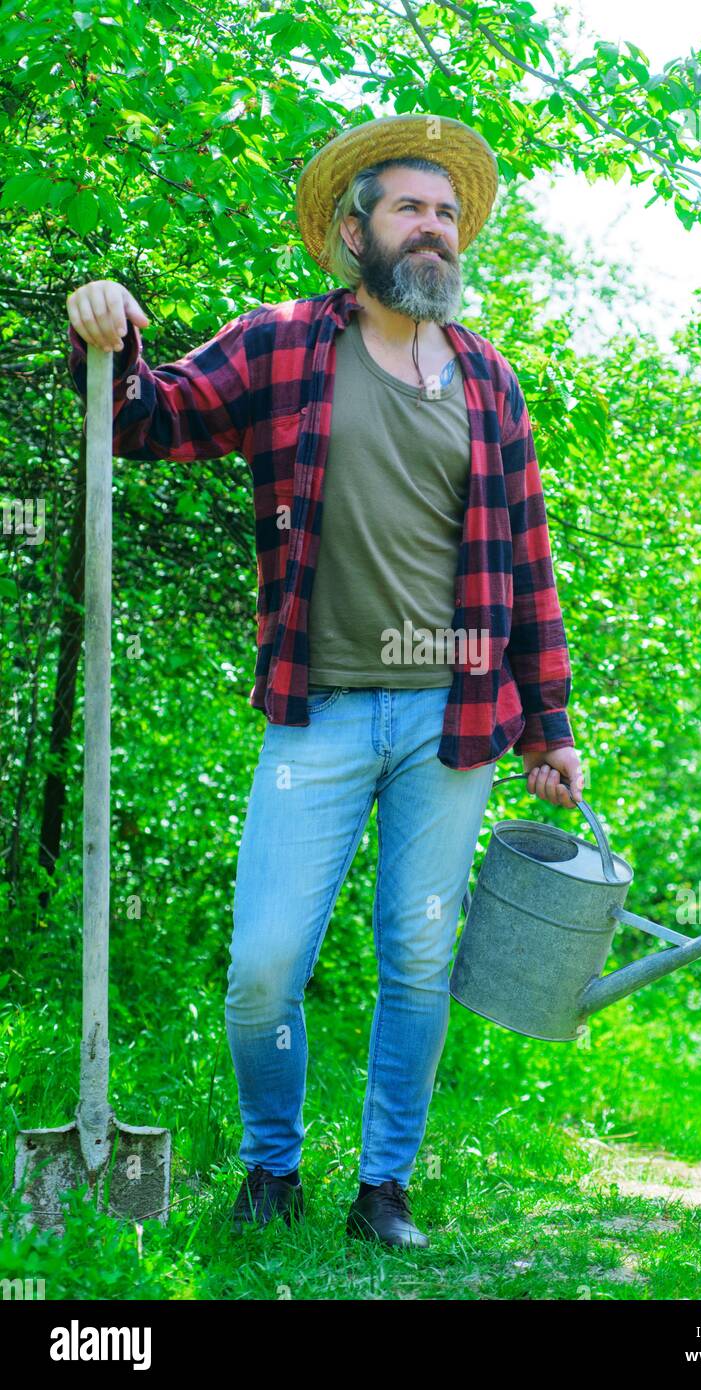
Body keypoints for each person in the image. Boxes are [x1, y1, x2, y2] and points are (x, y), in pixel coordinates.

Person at [66, 112, 583, 1250]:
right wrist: (106, 333)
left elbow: (530, 570)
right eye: (410, 208)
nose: (433, 229)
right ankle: (271, 1165)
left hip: (457, 726)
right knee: (263, 967)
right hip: (321, 713)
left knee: (415, 955)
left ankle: (383, 1189)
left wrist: (551, 727)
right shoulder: (284, 346)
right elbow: (147, 420)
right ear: (357, 230)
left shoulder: (491, 387)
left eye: (447, 213)